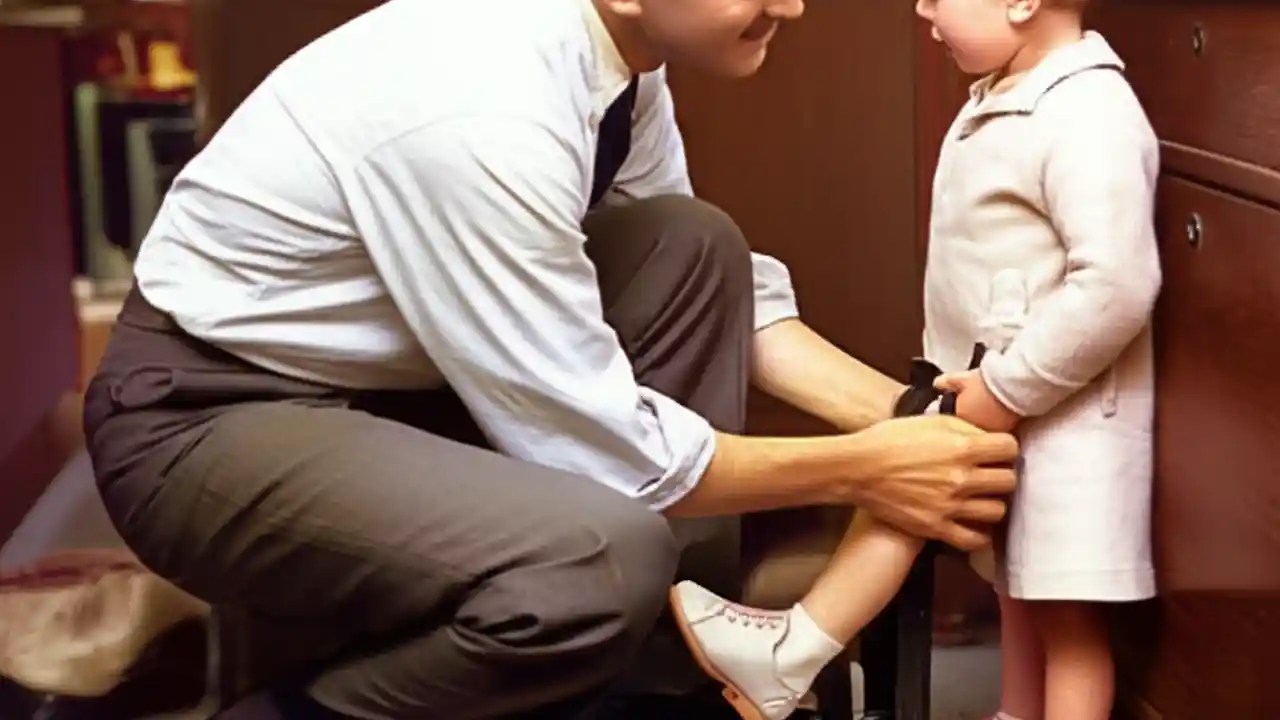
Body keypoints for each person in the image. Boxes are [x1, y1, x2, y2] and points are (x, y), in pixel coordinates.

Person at [82, 0, 1020, 718]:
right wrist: (869, 470)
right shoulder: (484, 110)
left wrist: (920, 421)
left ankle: (665, 681)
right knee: (603, 562)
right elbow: (614, 454)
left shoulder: (616, 59)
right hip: (208, 417)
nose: (793, 5)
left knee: (693, 245)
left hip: (395, 380)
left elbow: (733, 307)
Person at [669, 1, 1161, 719]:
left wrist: (1007, 387)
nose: (923, 8)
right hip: (1002, 399)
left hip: (1064, 419)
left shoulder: (1089, 111)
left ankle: (794, 649)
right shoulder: (1005, 93)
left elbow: (1118, 285)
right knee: (1013, 590)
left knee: (1067, 621)